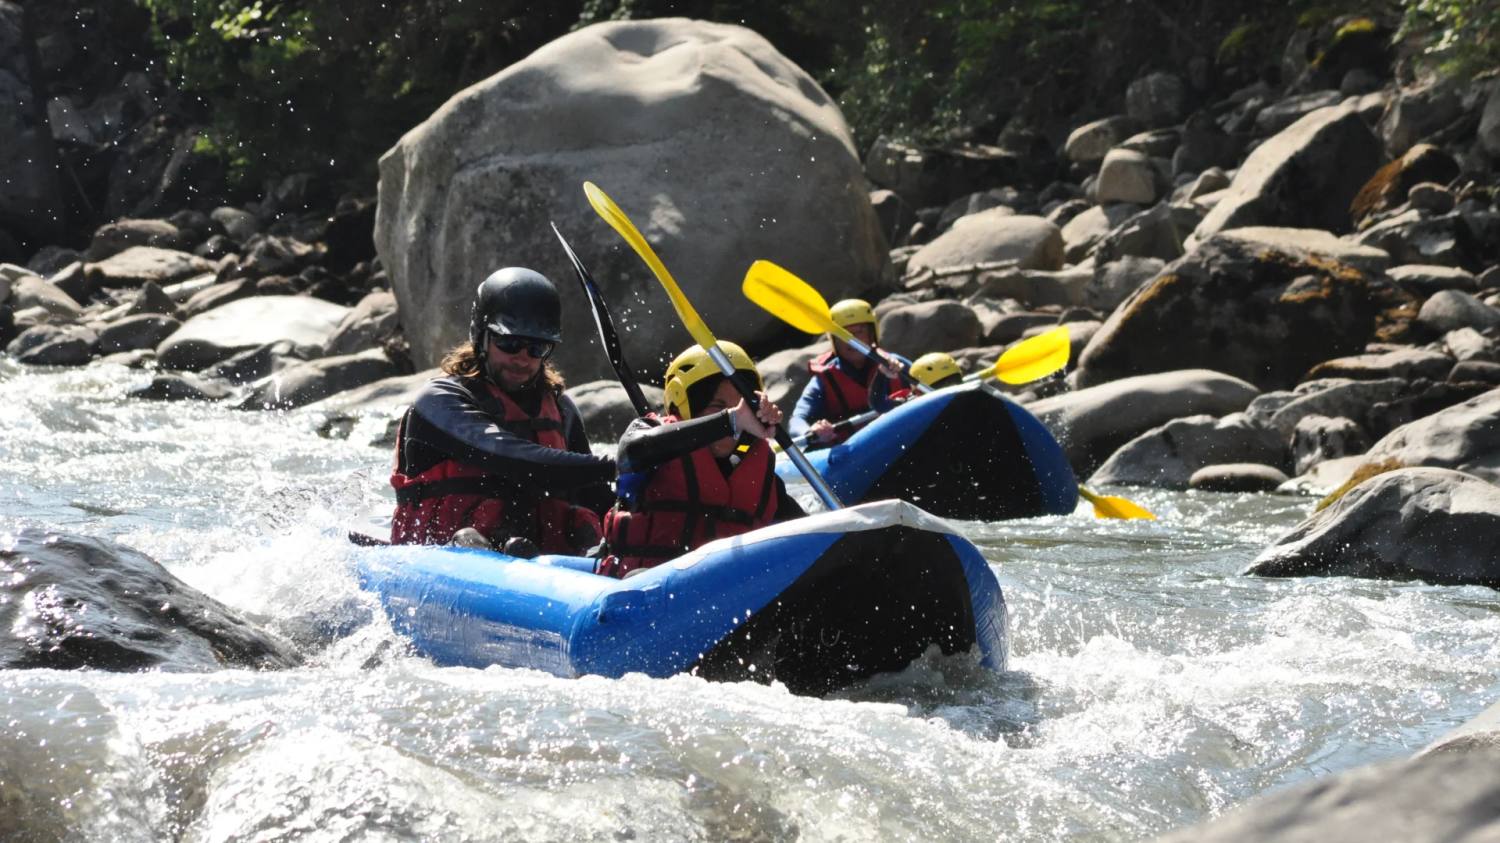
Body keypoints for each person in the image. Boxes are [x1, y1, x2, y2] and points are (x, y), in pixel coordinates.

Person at [389, 267, 614, 556]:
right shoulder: (439, 401)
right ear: (481, 336)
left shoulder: (562, 411)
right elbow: (509, 457)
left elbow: (595, 497)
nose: (522, 358)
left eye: (537, 348)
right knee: (470, 538)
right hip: (446, 557)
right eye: (509, 344)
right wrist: (612, 465)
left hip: (547, 568)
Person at [595, 342, 806, 578]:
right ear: (684, 407)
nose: (737, 414)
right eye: (717, 406)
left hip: (728, 596)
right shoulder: (648, 439)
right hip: (646, 587)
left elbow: (810, 537)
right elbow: (632, 454)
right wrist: (731, 420)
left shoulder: (761, 474)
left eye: (742, 407)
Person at [788, 298, 904, 448]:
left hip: (901, 437)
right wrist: (810, 431)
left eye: (859, 332)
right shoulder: (824, 380)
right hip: (853, 451)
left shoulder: (895, 364)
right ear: (834, 340)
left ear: (871, 334)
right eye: (844, 335)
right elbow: (797, 420)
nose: (852, 340)